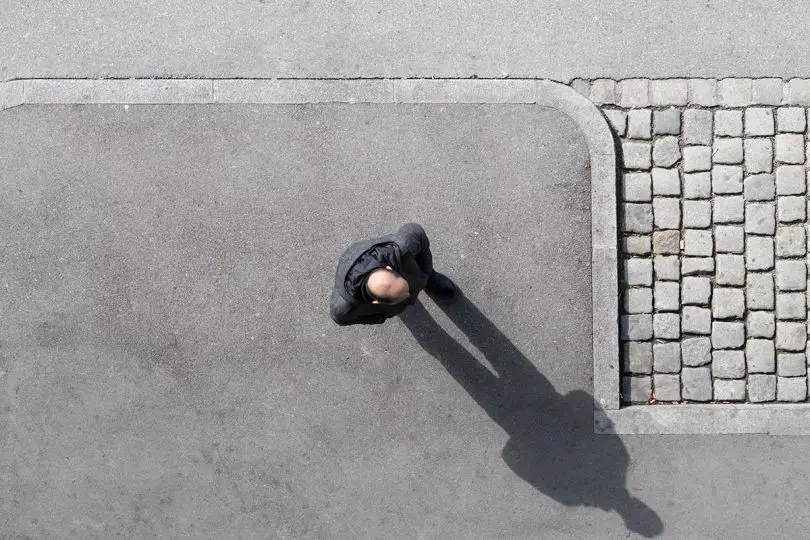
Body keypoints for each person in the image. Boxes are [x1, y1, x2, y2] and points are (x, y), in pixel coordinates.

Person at [329, 223, 457, 326]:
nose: (410, 297)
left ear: (390, 269)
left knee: (421, 277)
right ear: (375, 302)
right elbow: (341, 319)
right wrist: (380, 318)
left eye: (406, 289)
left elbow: (419, 235)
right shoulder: (342, 308)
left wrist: (427, 273)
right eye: (403, 297)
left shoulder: (405, 244)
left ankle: (430, 281)